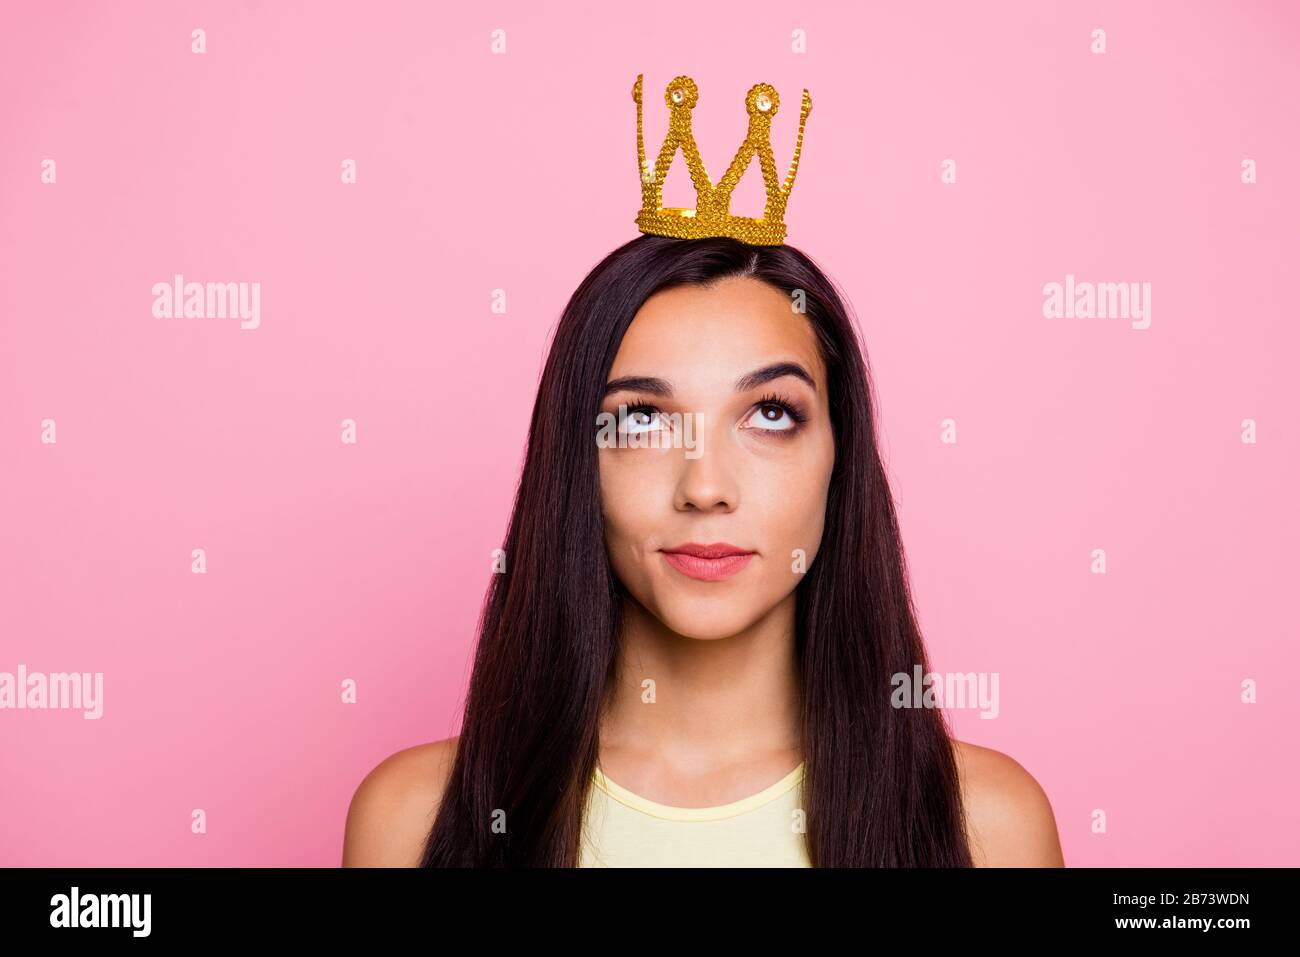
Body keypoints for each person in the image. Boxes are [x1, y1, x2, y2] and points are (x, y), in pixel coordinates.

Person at [342, 74, 1065, 867]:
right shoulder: (410, 821)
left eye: (770, 414)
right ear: (575, 461)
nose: (705, 487)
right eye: (644, 420)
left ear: (840, 455)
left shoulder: (990, 828)